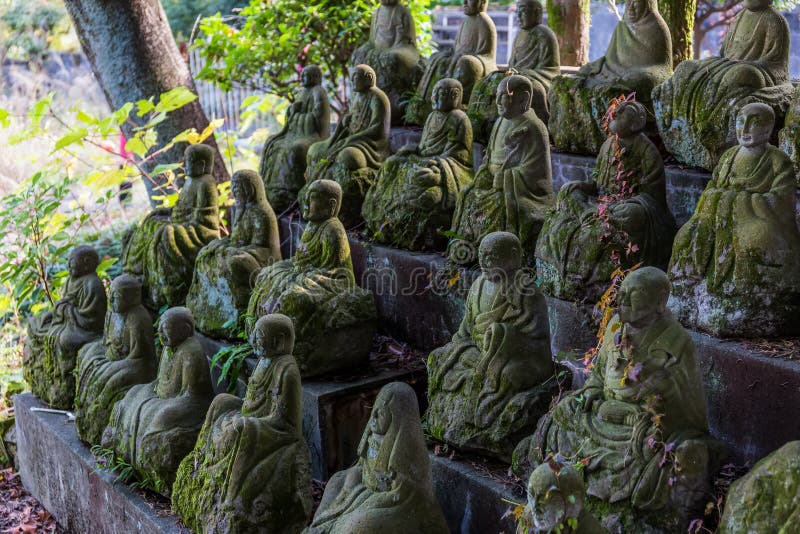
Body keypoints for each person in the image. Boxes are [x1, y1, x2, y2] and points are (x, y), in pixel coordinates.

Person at [515, 268, 718, 516]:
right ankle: (571, 471)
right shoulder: (615, 325)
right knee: (565, 411)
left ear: (660, 300)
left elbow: (683, 401)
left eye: (634, 293)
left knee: (647, 449)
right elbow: (599, 372)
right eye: (621, 293)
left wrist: (649, 406)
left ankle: (600, 482)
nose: (623, 299)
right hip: (602, 412)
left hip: (637, 424)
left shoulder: (675, 341)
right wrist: (590, 390)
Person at [669, 102, 800, 337]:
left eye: (754, 121)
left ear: (769, 127)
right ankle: (687, 290)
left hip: (756, 220)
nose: (745, 128)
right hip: (716, 218)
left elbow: (781, 202)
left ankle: (742, 297)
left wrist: (739, 200)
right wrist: (722, 198)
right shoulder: (729, 156)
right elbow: (712, 187)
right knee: (685, 236)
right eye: (741, 121)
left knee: (753, 243)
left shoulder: (777, 161)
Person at [172, 314, 312, 533]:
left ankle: (231, 495)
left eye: (260, 336)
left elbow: (285, 419)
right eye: (254, 334)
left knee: (241, 429)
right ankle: (200, 463)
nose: (254, 340)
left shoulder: (287, 370)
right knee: (220, 401)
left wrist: (246, 421)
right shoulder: (262, 363)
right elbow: (249, 403)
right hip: (253, 417)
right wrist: (241, 413)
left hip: (279, 428)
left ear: (279, 341)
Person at [427, 232, 554, 460]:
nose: (485, 263)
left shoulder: (527, 292)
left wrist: (503, 336)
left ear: (514, 257)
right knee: (439, 357)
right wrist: (464, 344)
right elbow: (466, 330)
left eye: (492, 257)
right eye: (482, 256)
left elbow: (538, 341)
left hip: (518, 356)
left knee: (506, 378)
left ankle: (484, 422)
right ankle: (463, 416)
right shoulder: (477, 286)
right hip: (480, 351)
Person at [536, 100, 677, 302]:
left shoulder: (647, 151)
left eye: (623, 112)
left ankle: (594, 218)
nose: (616, 113)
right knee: (567, 192)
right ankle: (586, 214)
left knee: (630, 216)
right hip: (601, 203)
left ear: (637, 122)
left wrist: (633, 203)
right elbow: (596, 180)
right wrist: (582, 186)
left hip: (626, 206)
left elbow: (653, 195)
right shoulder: (607, 146)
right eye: (615, 111)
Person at [247, 180, 376, 377]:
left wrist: (304, 276)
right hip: (303, 271)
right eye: (305, 198)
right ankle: (262, 336)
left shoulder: (333, 229)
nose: (306, 204)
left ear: (332, 206)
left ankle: (289, 345)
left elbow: (334, 268)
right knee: (265, 276)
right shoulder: (311, 226)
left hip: (331, 277)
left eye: (312, 199)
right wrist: (295, 270)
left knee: (294, 298)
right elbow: (301, 259)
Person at [653, 0, 793, 170]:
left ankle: (710, 124)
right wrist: (722, 63)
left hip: (760, 71)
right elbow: (724, 52)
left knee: (740, 74)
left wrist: (743, 65)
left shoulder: (774, 20)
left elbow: (776, 63)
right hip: (729, 64)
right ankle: (681, 124)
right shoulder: (739, 16)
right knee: (685, 67)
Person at [307, 382, 448, 533]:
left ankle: (339, 525)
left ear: (396, 418)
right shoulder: (373, 436)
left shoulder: (405, 449)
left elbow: (402, 494)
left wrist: (367, 503)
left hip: (392, 503)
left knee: (359, 525)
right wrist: (352, 481)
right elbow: (361, 465)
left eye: (381, 413)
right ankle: (321, 526)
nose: (373, 416)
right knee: (336, 481)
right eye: (375, 408)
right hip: (365, 487)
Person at [102, 307, 214, 495]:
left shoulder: (191, 351)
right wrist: (148, 393)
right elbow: (160, 381)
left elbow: (192, 394)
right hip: (164, 393)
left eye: (166, 329)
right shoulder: (169, 347)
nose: (160, 333)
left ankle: (147, 456)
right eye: (160, 329)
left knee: (160, 415)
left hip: (190, 401)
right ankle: (125, 450)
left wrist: (159, 401)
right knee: (132, 394)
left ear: (185, 330)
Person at [449, 75, 553, 265]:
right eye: (496, 96)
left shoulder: (534, 128)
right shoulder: (500, 122)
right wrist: (484, 173)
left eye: (503, 96)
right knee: (468, 193)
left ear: (523, 99)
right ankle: (466, 245)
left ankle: (495, 253)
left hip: (522, 191)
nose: (497, 102)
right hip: (495, 180)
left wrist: (506, 178)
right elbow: (489, 156)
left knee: (497, 204)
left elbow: (536, 172)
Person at [547, 0, 672, 154]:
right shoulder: (621, 27)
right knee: (585, 73)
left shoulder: (657, 28)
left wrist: (640, 74)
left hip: (642, 73)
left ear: (647, 5)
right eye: (628, 3)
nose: (631, 7)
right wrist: (597, 67)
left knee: (641, 80)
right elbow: (609, 58)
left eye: (636, 3)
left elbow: (660, 66)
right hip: (614, 70)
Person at [362, 78, 473, 251]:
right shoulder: (432, 116)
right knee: (391, 163)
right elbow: (425, 145)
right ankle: (378, 213)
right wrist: (413, 149)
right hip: (425, 159)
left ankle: (405, 226)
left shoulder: (459, 119)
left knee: (421, 178)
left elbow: (460, 154)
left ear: (456, 96)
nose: (438, 97)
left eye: (444, 94)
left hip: (448, 165)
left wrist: (439, 164)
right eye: (436, 93)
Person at [121, 144, 220, 309]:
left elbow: (204, 216)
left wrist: (181, 221)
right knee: (151, 221)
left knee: (166, 233)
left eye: (190, 162)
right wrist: (165, 212)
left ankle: (164, 286)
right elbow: (180, 208)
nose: (185, 165)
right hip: (183, 223)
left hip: (200, 229)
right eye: (185, 161)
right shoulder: (190, 182)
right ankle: (135, 271)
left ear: (202, 165)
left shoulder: (206, 184)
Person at [186, 169, 282, 338]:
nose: (236, 191)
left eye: (240, 187)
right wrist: (221, 244)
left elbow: (263, 246)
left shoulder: (262, 213)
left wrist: (236, 249)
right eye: (234, 187)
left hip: (263, 257)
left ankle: (239, 308)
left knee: (234, 262)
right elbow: (235, 238)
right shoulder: (238, 209)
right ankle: (207, 309)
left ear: (251, 189)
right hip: (240, 250)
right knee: (206, 253)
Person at [74, 274, 156, 446]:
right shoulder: (112, 312)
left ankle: (96, 418)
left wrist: (112, 365)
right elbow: (106, 339)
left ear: (132, 297)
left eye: (116, 296)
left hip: (135, 363)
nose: (111, 299)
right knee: (85, 353)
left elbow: (139, 355)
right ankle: (83, 412)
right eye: (110, 294)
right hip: (113, 353)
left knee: (105, 379)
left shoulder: (137, 318)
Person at [304, 64, 390, 226]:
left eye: (355, 78)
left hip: (370, 145)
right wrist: (345, 123)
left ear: (369, 79)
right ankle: (316, 183)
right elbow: (352, 119)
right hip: (351, 138)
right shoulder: (358, 97)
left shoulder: (378, 98)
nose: (352, 82)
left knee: (347, 158)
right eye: (351, 79)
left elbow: (377, 128)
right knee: (315, 150)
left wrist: (354, 138)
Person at [23, 245, 106, 409]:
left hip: (84, 327)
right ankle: (44, 376)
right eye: (68, 262)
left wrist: (66, 310)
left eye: (72, 263)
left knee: (63, 340)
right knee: (36, 325)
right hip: (65, 320)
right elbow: (64, 302)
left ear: (86, 263)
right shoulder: (71, 280)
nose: (69, 266)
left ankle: (62, 385)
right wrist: (58, 310)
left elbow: (92, 318)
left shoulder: (93, 284)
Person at [468, 0, 559, 142]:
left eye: (523, 11)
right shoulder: (519, 35)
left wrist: (524, 73)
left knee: (530, 89)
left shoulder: (545, 35)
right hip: (520, 76)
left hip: (538, 78)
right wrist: (511, 72)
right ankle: (482, 125)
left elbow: (550, 70)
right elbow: (513, 65)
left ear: (537, 13)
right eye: (517, 11)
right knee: (489, 81)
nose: (518, 15)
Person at [407, 0, 497, 124]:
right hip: (460, 58)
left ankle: (457, 102)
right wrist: (449, 54)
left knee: (466, 63)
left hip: (478, 62)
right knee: (438, 59)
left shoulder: (485, 22)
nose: (464, 3)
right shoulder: (465, 22)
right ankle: (428, 104)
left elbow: (486, 54)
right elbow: (456, 48)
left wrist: (464, 57)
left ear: (481, 2)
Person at [259, 65, 330, 212]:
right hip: (296, 132)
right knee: (273, 143)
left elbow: (318, 117)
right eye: (302, 75)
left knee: (296, 149)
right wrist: (292, 111)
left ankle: (292, 190)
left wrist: (297, 115)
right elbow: (292, 113)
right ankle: (273, 186)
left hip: (313, 135)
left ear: (315, 77)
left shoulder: (319, 92)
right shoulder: (301, 93)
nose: (302, 79)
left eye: (306, 76)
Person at [352, 0, 422, 123]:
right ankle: (363, 103)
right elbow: (372, 40)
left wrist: (392, 51)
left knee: (393, 59)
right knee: (359, 55)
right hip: (379, 49)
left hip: (401, 48)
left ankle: (393, 105)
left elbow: (404, 40)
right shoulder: (377, 12)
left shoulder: (401, 12)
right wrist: (363, 50)